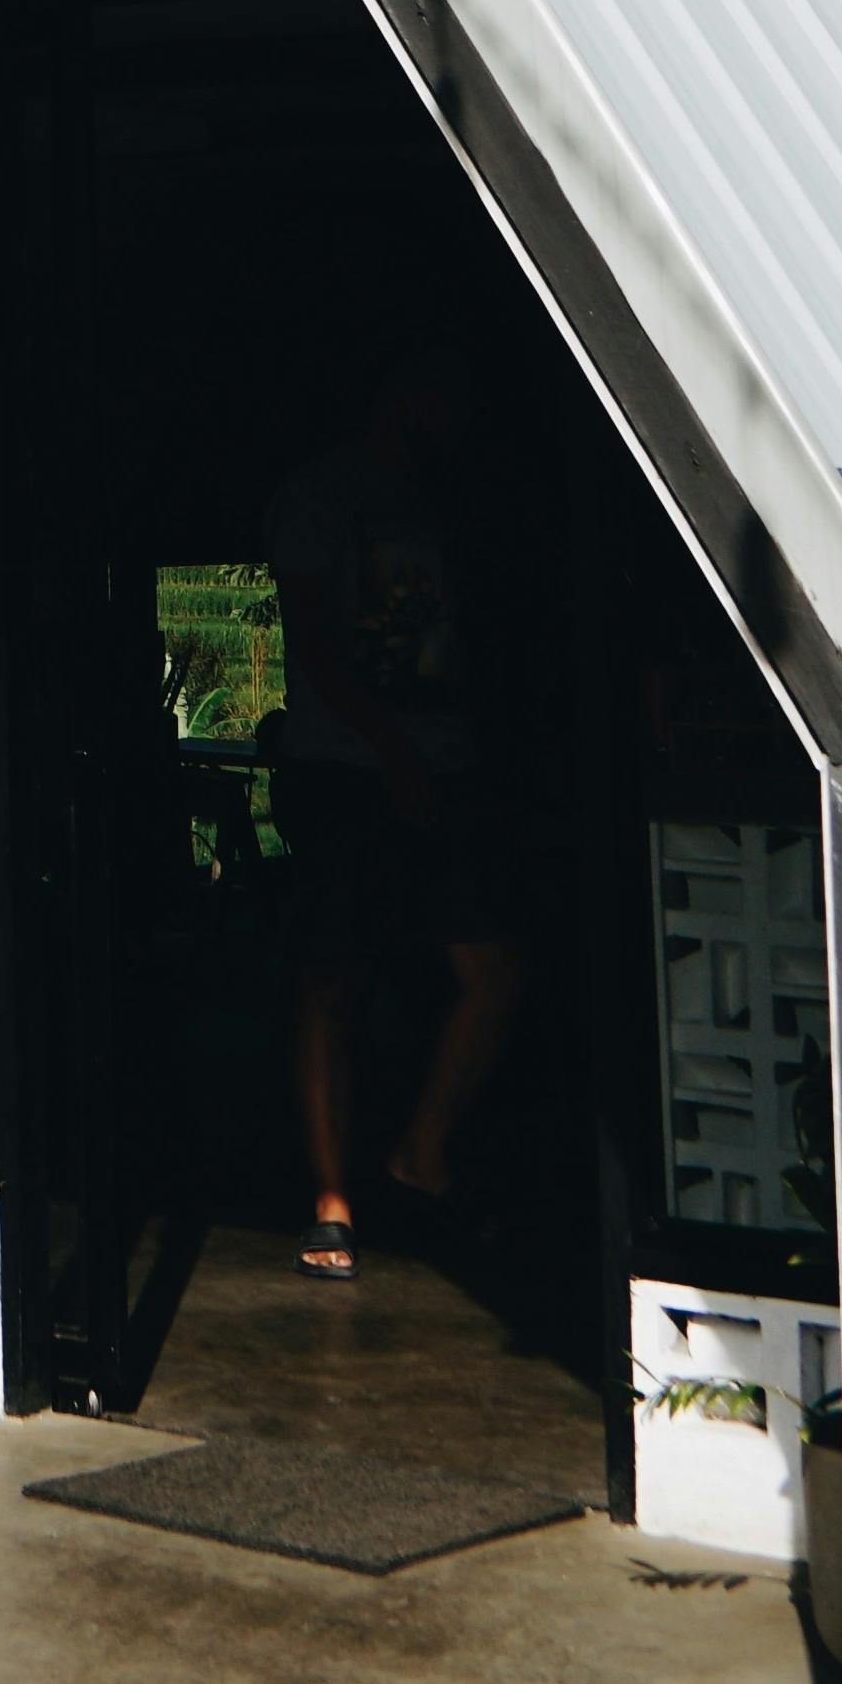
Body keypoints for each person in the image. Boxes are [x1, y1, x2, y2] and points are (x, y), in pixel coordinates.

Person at [267, 361, 523, 1280]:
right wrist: (389, 749)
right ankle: (332, 1199)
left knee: (490, 969)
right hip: (343, 768)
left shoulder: (446, 498)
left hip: (447, 762)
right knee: (329, 976)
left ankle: (422, 1149)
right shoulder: (322, 493)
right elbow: (315, 642)